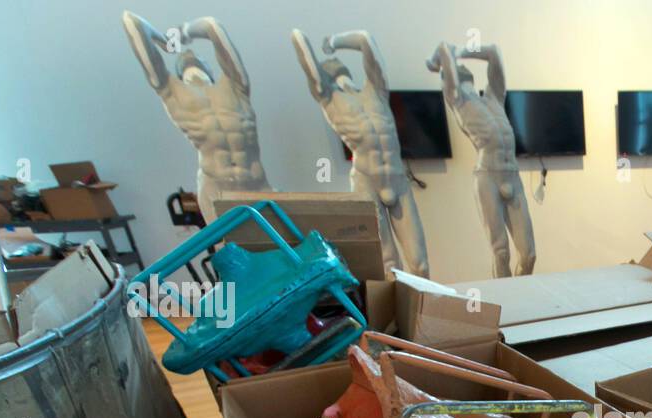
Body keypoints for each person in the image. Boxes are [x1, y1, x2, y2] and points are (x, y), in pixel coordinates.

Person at [293, 29, 430, 277]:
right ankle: (397, 315)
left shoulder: (375, 92)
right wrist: (300, 35)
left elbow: (367, 41)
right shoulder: (329, 99)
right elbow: (303, 51)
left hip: (398, 180)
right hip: (366, 183)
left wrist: (334, 41)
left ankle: (427, 313)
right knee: (389, 264)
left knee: (420, 263)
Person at [122, 12, 272, 223]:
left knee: (284, 251)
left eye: (198, 58)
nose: (190, 54)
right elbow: (132, 21)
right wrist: (164, 42)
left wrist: (186, 32)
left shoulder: (235, 87)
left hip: (258, 184)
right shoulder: (172, 91)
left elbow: (213, 26)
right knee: (230, 253)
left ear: (211, 67)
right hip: (217, 188)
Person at [427, 41, 536, 278]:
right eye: (453, 69)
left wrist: (461, 52)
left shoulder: (493, 97)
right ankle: (507, 304)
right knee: (501, 253)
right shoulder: (457, 100)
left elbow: (494, 52)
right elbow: (444, 48)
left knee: (529, 254)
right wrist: (443, 58)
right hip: (487, 178)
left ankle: (523, 295)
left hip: (513, 178)